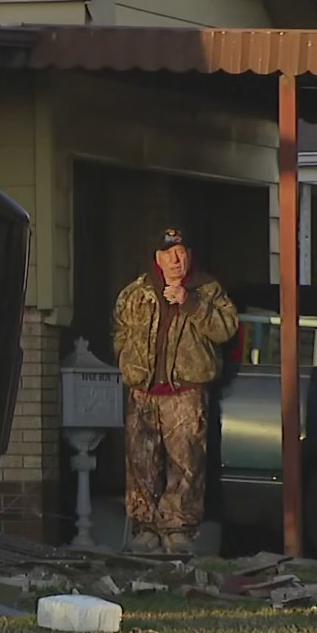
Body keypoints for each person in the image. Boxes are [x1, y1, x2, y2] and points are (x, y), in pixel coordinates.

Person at [111, 227, 237, 555]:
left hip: (185, 391)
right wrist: (127, 360)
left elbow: (226, 329)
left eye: (181, 252)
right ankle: (145, 530)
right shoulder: (135, 293)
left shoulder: (208, 289)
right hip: (143, 391)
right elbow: (119, 329)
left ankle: (178, 531)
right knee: (141, 463)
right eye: (169, 253)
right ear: (158, 258)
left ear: (190, 255)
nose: (176, 259)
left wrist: (191, 303)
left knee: (186, 464)